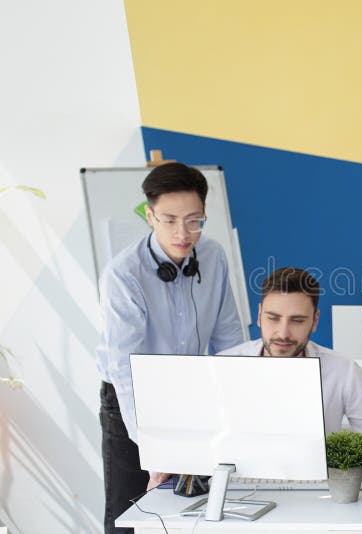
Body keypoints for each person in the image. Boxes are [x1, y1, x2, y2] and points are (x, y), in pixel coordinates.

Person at [96, 162, 243, 533]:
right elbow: (124, 368)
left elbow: (228, 341)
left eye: (194, 220)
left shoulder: (213, 257)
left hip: (192, 394)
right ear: (150, 215)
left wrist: (238, 413)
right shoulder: (124, 273)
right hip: (130, 400)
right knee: (129, 514)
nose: (183, 232)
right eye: (170, 220)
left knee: (194, 510)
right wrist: (154, 447)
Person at [218, 267, 362, 447]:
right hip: (236, 473)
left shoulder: (344, 371)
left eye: (297, 321)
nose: (283, 333)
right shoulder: (222, 365)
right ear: (259, 316)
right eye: (273, 318)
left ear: (314, 321)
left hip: (318, 475)